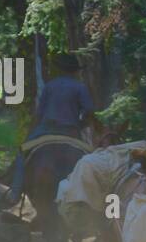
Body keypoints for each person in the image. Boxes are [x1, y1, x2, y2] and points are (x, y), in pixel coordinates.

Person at [7, 55, 98, 204]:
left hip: (46, 129)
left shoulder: (50, 85)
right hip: (70, 131)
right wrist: (80, 125)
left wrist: (35, 129)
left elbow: (40, 113)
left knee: (22, 153)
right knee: (89, 159)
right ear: (75, 71)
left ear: (60, 70)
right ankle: (92, 199)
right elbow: (89, 112)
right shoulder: (80, 87)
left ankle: (15, 193)